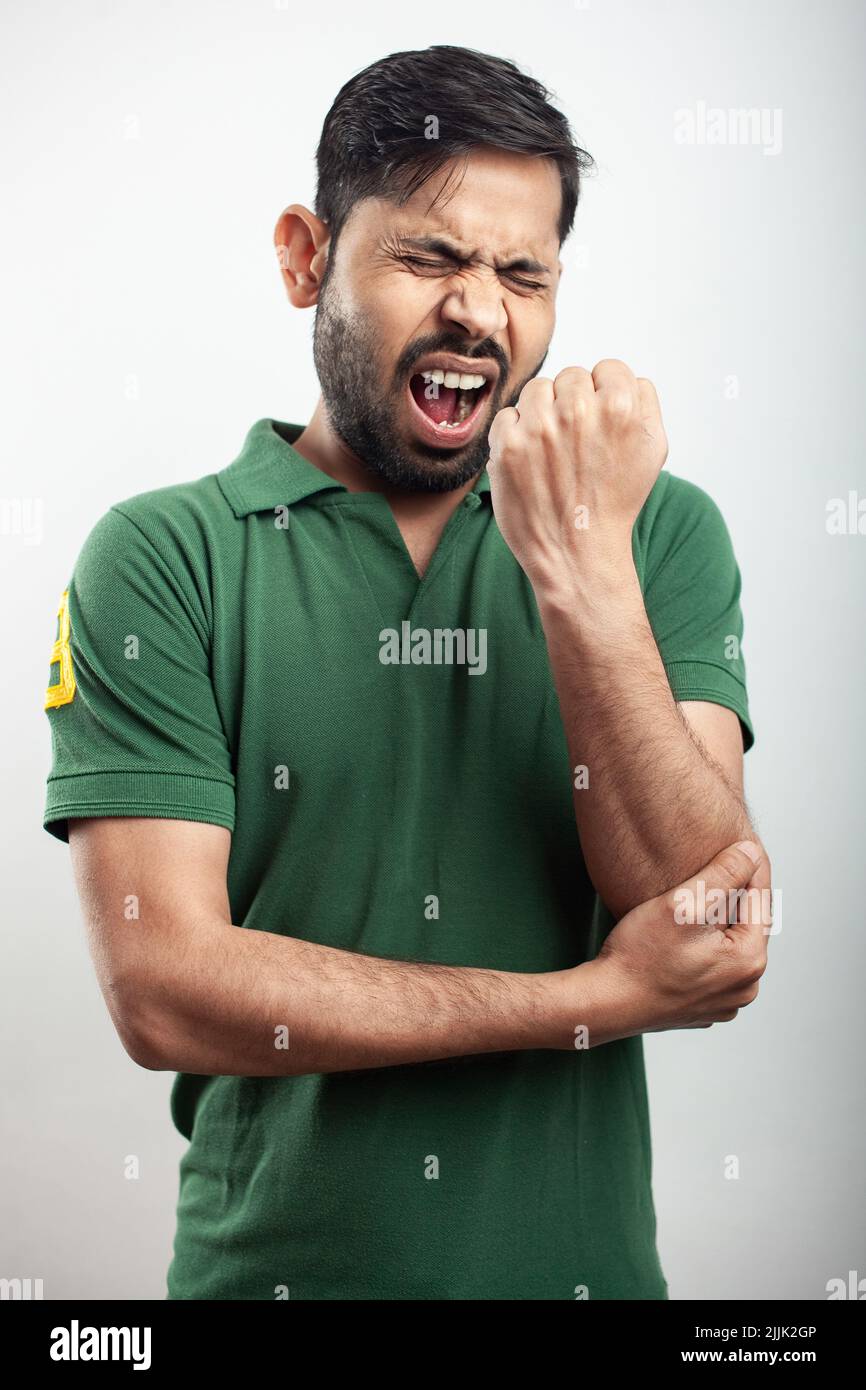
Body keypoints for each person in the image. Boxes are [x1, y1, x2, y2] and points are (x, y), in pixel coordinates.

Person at [42, 45, 770, 1300]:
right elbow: (164, 989)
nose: (480, 313)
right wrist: (585, 999)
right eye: (429, 257)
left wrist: (580, 571)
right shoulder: (163, 559)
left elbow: (710, 924)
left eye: (521, 274)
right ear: (304, 257)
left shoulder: (650, 529)